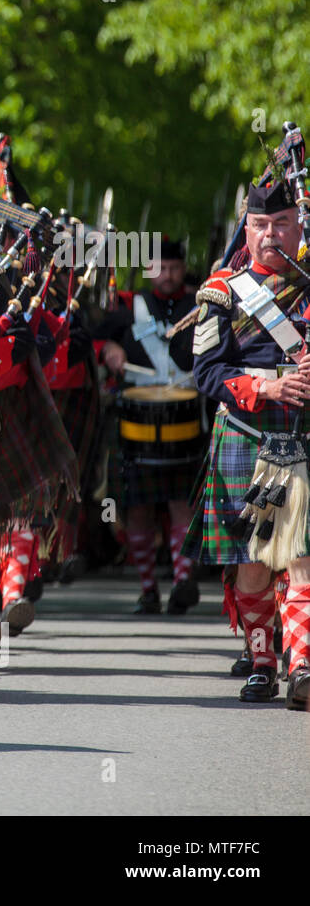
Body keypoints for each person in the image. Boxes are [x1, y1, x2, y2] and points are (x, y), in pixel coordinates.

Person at [186, 181, 310, 708]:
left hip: (303, 438)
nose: (270, 235)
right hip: (247, 436)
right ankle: (263, 661)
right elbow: (206, 374)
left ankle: (302, 663)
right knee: (254, 563)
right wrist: (265, 386)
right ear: (247, 229)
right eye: (260, 225)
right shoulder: (223, 293)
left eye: (281, 224)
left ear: (298, 227)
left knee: (302, 556)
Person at [95, 238, 202, 614]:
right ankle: (147, 588)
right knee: (136, 508)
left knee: (180, 505)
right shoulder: (128, 307)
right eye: (160, 267)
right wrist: (109, 349)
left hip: (185, 419)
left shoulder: (199, 306)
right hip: (135, 423)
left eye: (174, 268)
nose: (168, 275)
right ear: (149, 269)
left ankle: (182, 581)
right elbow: (94, 337)